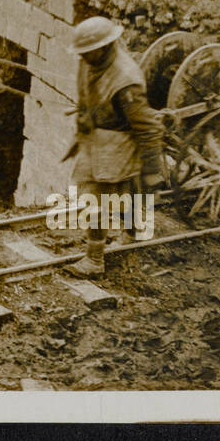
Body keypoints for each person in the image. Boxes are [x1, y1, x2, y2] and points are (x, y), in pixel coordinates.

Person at [66, 17, 164, 276]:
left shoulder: (125, 81)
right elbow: (87, 95)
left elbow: (148, 127)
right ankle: (134, 231)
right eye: (82, 52)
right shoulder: (90, 62)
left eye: (88, 51)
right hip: (94, 138)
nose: (84, 57)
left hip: (116, 144)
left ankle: (94, 260)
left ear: (104, 47)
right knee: (119, 190)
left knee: (94, 198)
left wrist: (153, 170)